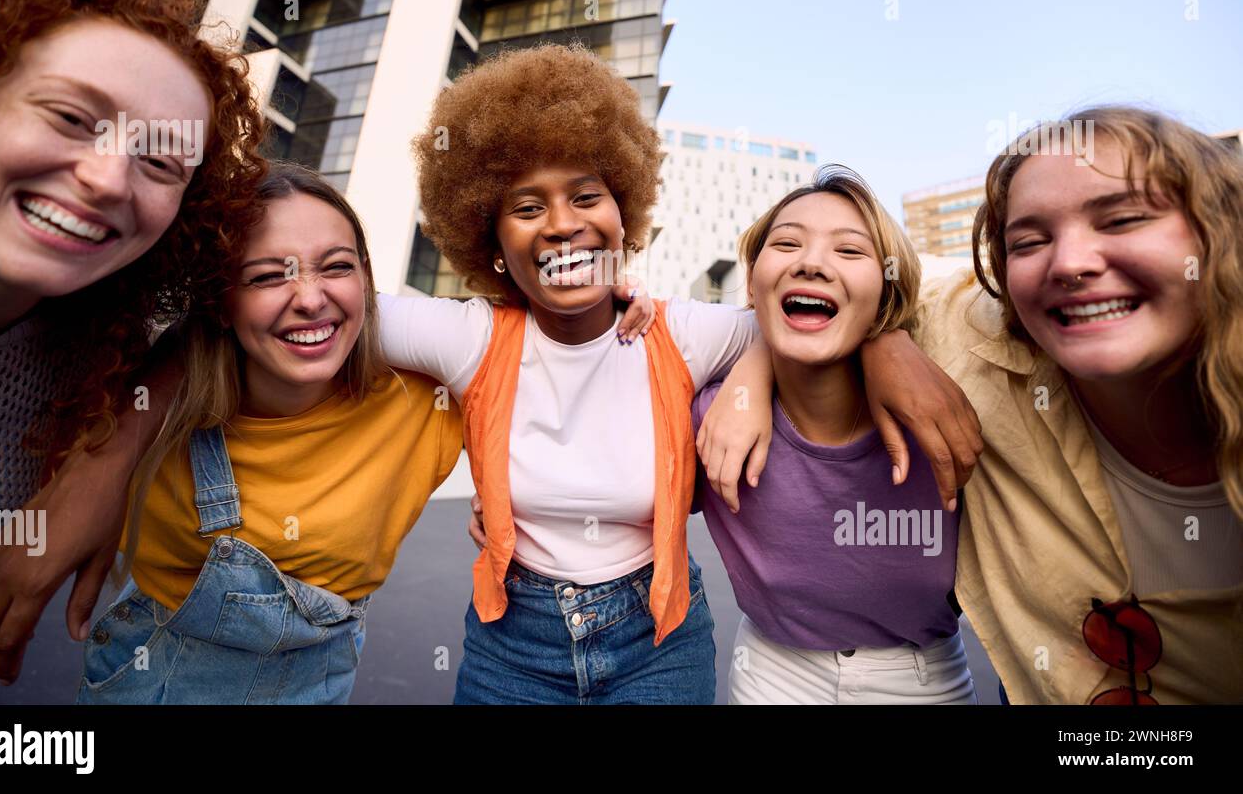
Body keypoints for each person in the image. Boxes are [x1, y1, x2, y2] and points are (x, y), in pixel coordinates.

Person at [397, 43, 980, 703]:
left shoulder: (687, 336)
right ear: (491, 242)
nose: (561, 224)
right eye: (527, 209)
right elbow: (336, 312)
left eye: (586, 196)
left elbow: (797, 320)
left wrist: (884, 342)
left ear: (624, 216)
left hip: (659, 634)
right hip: (515, 639)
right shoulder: (469, 335)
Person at [700, 107, 1243, 703]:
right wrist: (760, 360)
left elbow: (900, 287)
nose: (1070, 262)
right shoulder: (985, 347)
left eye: (1124, 219)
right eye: (1029, 241)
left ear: (1222, 230)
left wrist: (886, 339)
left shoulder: (952, 356)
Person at [0, 0, 266, 689]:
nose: (106, 179)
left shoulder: (98, 331)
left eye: (159, 160)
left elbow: (232, 310)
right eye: (67, 116)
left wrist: (108, 459)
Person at [77, 163, 462, 703]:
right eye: (267, 276)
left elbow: (549, 352)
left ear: (367, 282)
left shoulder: (425, 400)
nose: (309, 298)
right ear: (222, 302)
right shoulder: (148, 409)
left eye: (337, 267)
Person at [693, 167, 974, 704]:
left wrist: (887, 339)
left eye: (850, 252)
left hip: (925, 678)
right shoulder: (712, 416)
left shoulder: (945, 409)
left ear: (888, 290)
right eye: (787, 243)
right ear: (753, 280)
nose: (811, 262)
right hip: (772, 675)